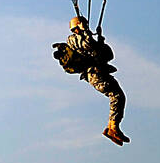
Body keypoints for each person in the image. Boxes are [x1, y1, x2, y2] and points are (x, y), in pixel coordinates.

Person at [53, 15, 129, 145]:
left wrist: (100, 39)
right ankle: (113, 127)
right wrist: (87, 33)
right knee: (116, 96)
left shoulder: (84, 38)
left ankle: (112, 127)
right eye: (84, 25)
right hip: (94, 74)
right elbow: (88, 46)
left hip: (100, 72)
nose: (87, 27)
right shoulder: (73, 39)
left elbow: (106, 54)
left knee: (119, 96)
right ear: (77, 27)